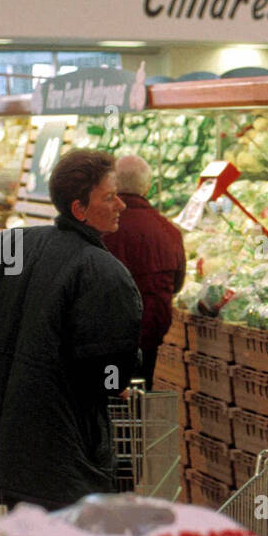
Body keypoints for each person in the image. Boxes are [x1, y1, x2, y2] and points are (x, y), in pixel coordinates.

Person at [0, 149, 142, 510]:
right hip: (62, 446)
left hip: (3, 439)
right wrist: (118, 385)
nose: (122, 205)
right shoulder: (103, 271)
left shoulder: (10, 245)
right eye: (110, 196)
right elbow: (110, 359)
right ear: (79, 209)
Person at [101, 154, 187, 389]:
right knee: (138, 402)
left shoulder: (99, 225)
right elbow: (177, 285)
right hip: (147, 335)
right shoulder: (169, 231)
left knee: (104, 405)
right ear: (148, 187)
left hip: (101, 336)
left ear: (113, 185)